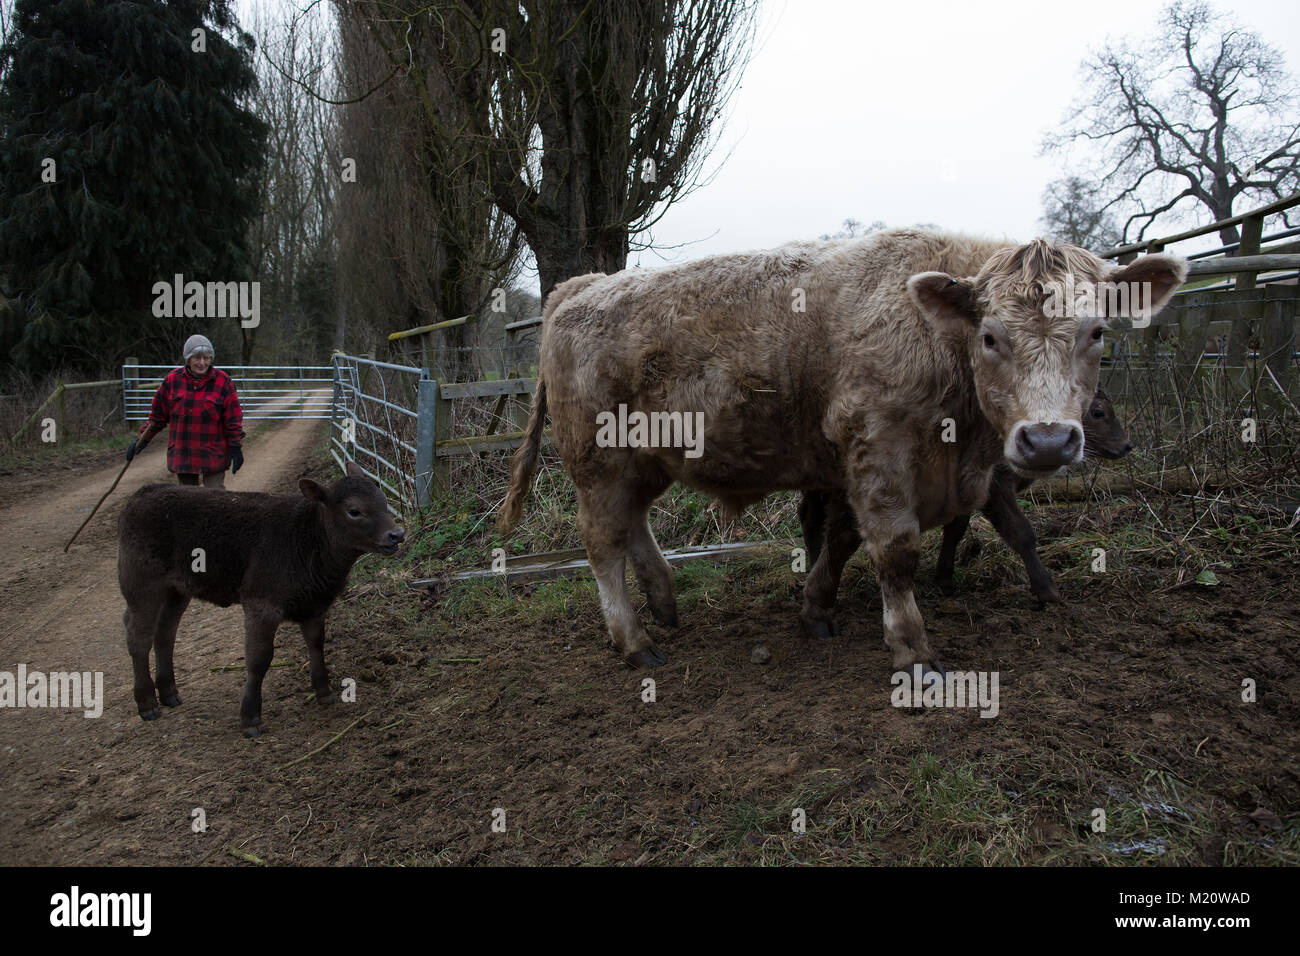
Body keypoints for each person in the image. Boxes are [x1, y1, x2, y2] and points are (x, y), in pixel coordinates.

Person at [126, 334, 245, 487]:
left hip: (212, 454)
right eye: (197, 358)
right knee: (187, 503)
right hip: (184, 454)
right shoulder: (172, 381)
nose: (202, 363)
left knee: (215, 501)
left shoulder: (223, 382)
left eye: (206, 358)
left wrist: (235, 447)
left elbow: (233, 419)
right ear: (188, 358)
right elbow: (157, 418)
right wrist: (141, 441)